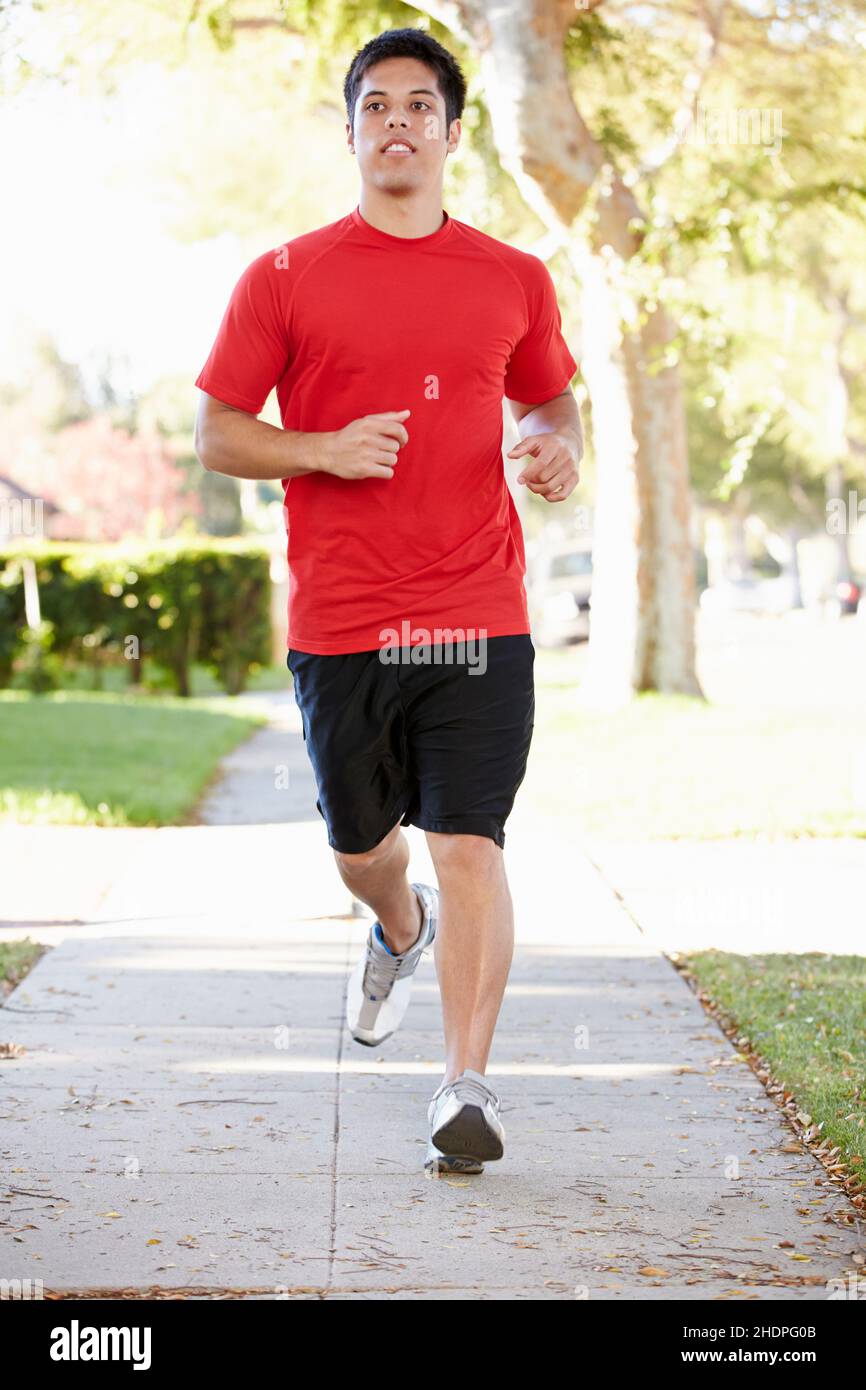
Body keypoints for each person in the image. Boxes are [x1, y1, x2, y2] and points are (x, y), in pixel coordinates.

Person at [194, 27, 583, 1175]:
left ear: (454, 134)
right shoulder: (284, 275)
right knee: (364, 847)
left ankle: (464, 1085)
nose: (399, 122)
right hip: (342, 619)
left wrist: (554, 449)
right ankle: (393, 926)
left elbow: (551, 403)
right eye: (377, 106)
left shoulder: (512, 276)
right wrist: (318, 448)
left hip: (477, 608)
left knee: (468, 842)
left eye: (421, 104)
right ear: (352, 130)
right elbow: (218, 430)